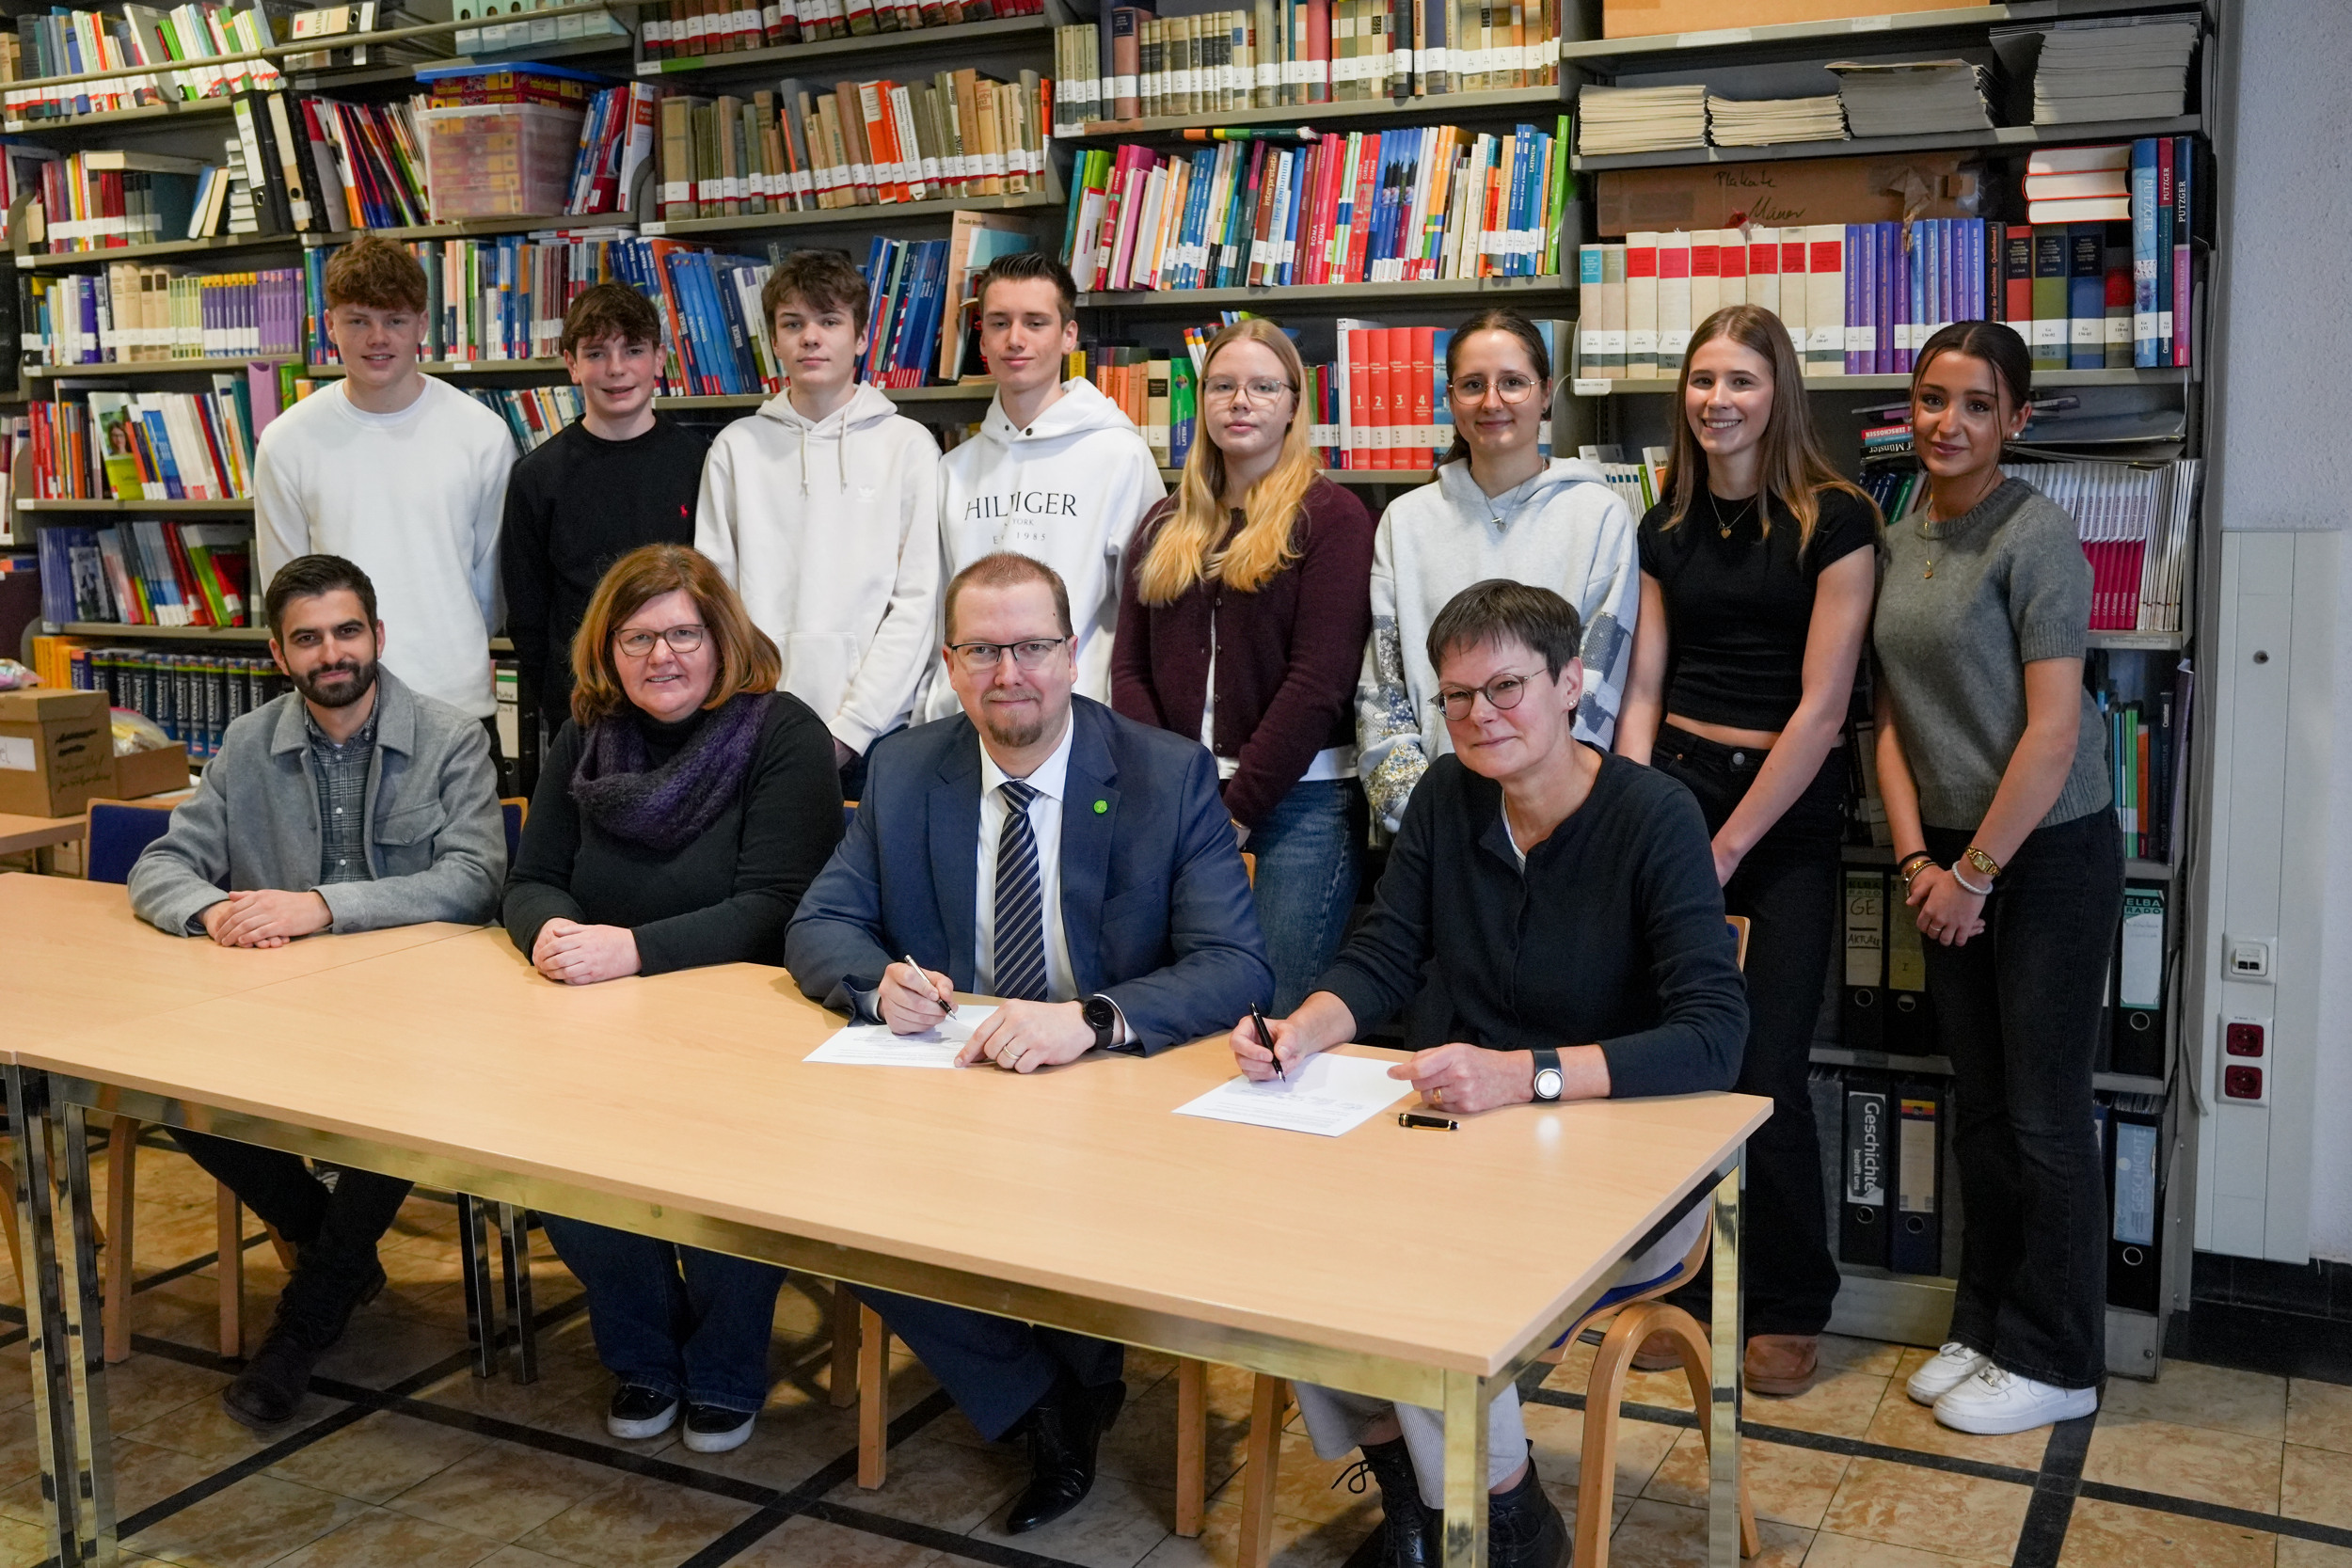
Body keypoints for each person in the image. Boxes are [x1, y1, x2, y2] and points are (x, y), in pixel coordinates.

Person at [1237, 580, 1747, 1568]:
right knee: (1295, 1239)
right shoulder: (1445, 794)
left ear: (1571, 683)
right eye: (1456, 696)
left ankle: (1503, 1516)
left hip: (1626, 1163)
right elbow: (1386, 953)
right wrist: (1302, 1030)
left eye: (1505, 687)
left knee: (1420, 1267)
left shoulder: (1655, 817)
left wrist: (1525, 1075)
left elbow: (1713, 1035)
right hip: (1462, 1140)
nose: (1479, 716)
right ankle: (1422, 1503)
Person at [787, 551, 1270, 1534]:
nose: (1010, 671)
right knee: (825, 1203)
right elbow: (819, 921)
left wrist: (1090, 1018)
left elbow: (1236, 962)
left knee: (1059, 1207)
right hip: (951, 1085)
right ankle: (1050, 1397)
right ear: (950, 662)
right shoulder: (906, 768)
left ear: (1074, 651)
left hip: (1107, 1094)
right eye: (982, 649)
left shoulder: (1163, 772)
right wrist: (878, 986)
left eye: (1033, 646)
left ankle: (1074, 1375)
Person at [126, 554, 504, 1430]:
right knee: (178, 1093)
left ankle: (301, 1331)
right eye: (307, 639)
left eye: (345, 631)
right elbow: (162, 863)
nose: (330, 652)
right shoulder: (248, 745)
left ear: (377, 636)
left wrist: (321, 906)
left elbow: (477, 879)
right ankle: (343, 1249)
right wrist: (213, 910)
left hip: (421, 1016)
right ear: (278, 652)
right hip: (280, 1014)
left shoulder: (451, 738)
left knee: (392, 1118)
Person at [503, 543, 845, 1452]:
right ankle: (645, 1354)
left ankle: (728, 1366)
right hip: (598, 1029)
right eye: (638, 636)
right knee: (556, 1167)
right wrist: (549, 931)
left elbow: (776, 906)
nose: (663, 656)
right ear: (607, 650)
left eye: (684, 633)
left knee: (735, 1179)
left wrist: (632, 949)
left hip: (748, 1033)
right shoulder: (586, 732)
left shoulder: (782, 732)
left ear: (722, 636)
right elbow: (530, 877)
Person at [1616, 305, 1881, 1398]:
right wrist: (1629, 815)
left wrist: (1722, 843)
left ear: (1779, 395)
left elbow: (1823, 710)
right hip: (1673, 788)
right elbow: (1641, 685)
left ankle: (1787, 1301)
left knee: (1764, 1067)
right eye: (1701, 380)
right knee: (1670, 1058)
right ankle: (1679, 1281)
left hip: (1781, 819)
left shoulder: (1838, 519)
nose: (1717, 400)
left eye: (1741, 380)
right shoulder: (1663, 522)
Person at [1875, 322, 2122, 1437]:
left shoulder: (2041, 536)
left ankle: (2058, 1355)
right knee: (1980, 1106)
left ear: (2015, 421)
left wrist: (1972, 872)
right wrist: (1918, 858)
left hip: (2045, 857)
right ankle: (1983, 1320)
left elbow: (2055, 734)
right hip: (1946, 859)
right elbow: (1885, 717)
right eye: (1932, 398)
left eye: (1977, 404)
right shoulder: (1899, 525)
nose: (1948, 422)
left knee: (2044, 1114)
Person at [1111, 319, 1375, 1011]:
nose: (1241, 401)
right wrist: (1175, 792)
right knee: (1174, 1005)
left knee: (1270, 1011)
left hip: (1300, 808)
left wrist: (1233, 816)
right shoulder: (1163, 523)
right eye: (1223, 386)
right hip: (1179, 802)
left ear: (1294, 403)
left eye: (1263, 387)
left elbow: (1318, 686)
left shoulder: (1334, 519)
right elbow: (1129, 673)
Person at [1357, 309, 1639, 835]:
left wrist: (1547, 809)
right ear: (1449, 399)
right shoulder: (1406, 521)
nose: (1492, 402)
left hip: (1561, 823)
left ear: (1546, 393)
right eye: (1472, 385)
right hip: (1433, 824)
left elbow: (1596, 682)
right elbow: (1383, 686)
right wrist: (1422, 817)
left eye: (1513, 382)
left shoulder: (1598, 515)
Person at [695, 248, 943, 799]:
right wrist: (749, 711)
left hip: (881, 732)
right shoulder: (736, 449)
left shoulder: (908, 447)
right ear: (775, 341)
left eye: (829, 321)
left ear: (860, 338)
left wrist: (851, 730)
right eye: (793, 324)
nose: (811, 337)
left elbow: (918, 604)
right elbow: (715, 598)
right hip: (757, 725)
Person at [253, 235, 516, 741]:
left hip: (455, 704)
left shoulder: (481, 433)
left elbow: (492, 585)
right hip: (337, 709)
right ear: (330, 325)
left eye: (394, 320)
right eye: (358, 320)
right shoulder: (288, 441)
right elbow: (286, 587)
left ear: (422, 325)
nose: (378, 337)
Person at [917, 252, 1164, 722]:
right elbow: (935, 617)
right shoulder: (953, 469)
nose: (1015, 339)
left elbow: (1143, 618)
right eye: (999, 322)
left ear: (1069, 335)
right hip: (967, 722)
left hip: (1081, 721)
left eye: (1035, 322)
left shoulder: (1119, 456)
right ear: (982, 339)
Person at [502, 281, 707, 743]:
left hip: (689, 705)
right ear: (571, 365)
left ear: (659, 359)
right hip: (584, 710)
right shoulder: (536, 476)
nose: (616, 369)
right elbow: (528, 617)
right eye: (596, 353)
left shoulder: (702, 463)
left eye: (633, 350)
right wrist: (564, 706)